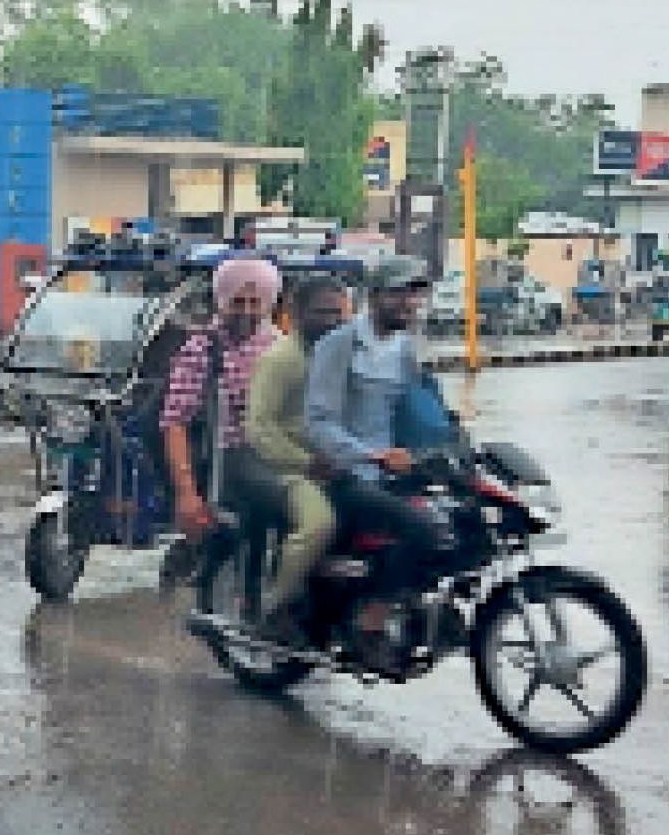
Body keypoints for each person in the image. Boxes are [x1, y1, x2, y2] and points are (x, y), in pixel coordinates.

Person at [303, 256, 461, 668]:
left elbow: (421, 411)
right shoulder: (337, 345)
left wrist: (456, 445)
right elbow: (318, 422)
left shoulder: (406, 348)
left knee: (462, 520)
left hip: (394, 469)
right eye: (398, 292)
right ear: (374, 297)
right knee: (422, 529)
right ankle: (370, 625)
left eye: (415, 293)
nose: (408, 302)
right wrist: (369, 454)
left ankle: (425, 609)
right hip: (345, 472)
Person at [243, 273, 349, 648]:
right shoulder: (281, 360)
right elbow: (259, 428)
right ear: (296, 313)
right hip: (285, 468)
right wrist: (306, 463)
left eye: (340, 313)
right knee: (319, 525)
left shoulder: (339, 356)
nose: (334, 321)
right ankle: (276, 609)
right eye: (323, 313)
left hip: (335, 462)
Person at [160, 255, 284, 557]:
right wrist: (186, 493)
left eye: (255, 302)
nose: (246, 311)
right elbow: (175, 421)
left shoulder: (279, 344)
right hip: (228, 454)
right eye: (237, 301)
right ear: (221, 302)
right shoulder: (202, 348)